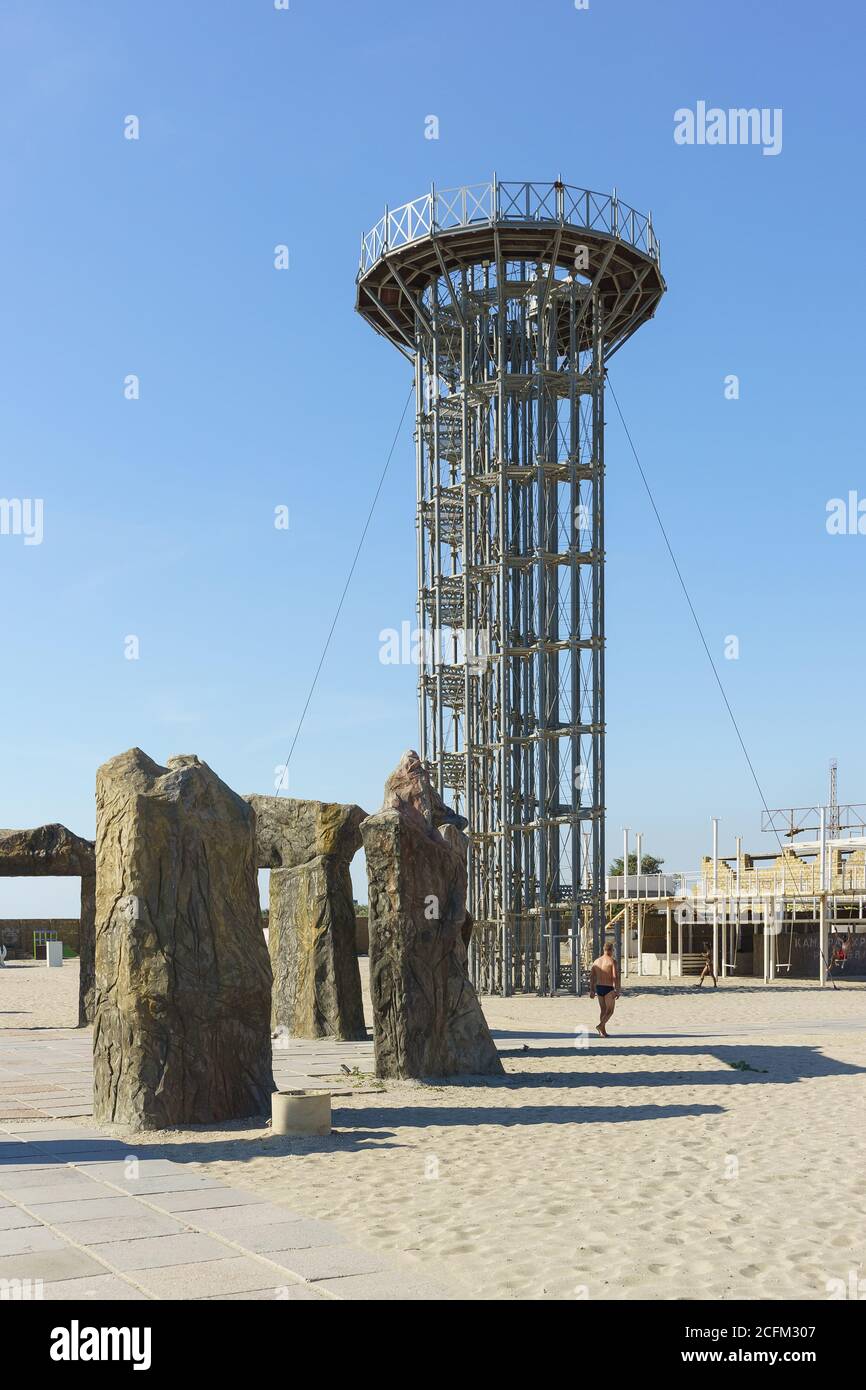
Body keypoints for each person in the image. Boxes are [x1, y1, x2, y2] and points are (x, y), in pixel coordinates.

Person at [589, 942, 621, 1037]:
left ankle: (602, 1032)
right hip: (608, 988)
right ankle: (600, 1026)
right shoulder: (612, 961)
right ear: (611, 950)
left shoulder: (596, 961)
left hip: (599, 988)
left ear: (604, 950)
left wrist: (592, 990)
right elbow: (615, 976)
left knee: (603, 1010)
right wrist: (617, 990)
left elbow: (592, 977)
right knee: (610, 1011)